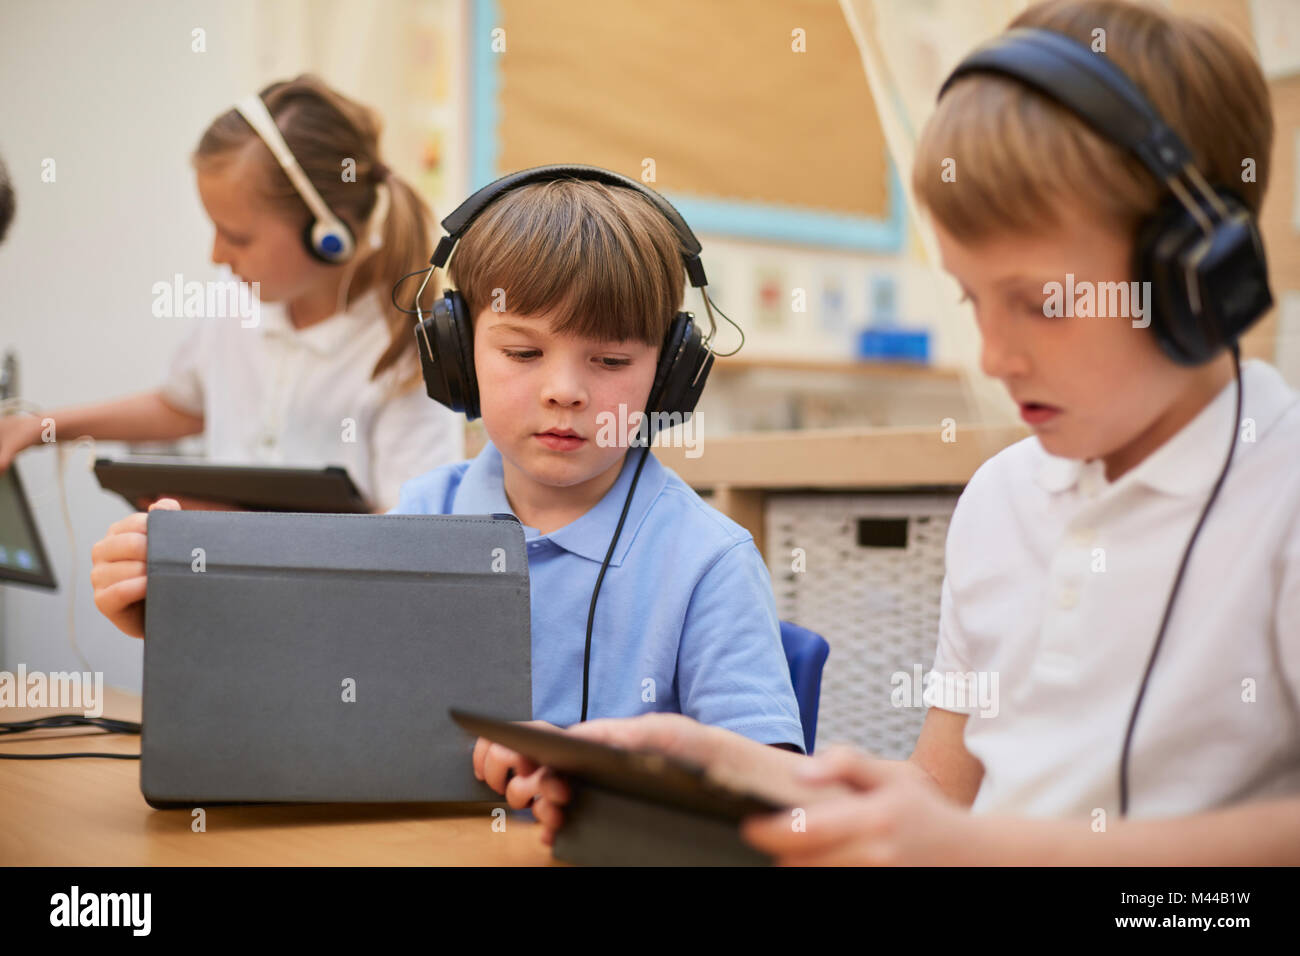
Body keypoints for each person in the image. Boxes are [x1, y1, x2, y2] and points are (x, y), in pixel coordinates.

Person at [521, 0, 1300, 864]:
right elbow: (940, 794)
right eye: (971, 300)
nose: (993, 355)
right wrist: (709, 766)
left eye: (1041, 304)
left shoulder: (1281, 500)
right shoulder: (1002, 501)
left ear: (1199, 276)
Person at [90, 169, 807, 805]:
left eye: (611, 358)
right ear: (456, 355)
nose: (565, 391)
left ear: (669, 375)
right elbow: (324, 702)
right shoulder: (420, 518)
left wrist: (619, 770)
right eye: (523, 352)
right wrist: (183, 621)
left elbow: (776, 795)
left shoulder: (708, 561)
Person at [0, 75, 462, 512]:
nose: (217, 255)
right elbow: (181, 407)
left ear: (327, 235)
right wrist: (40, 428)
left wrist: (239, 528)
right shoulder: (236, 299)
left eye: (237, 237)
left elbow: (410, 533)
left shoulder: (404, 353)